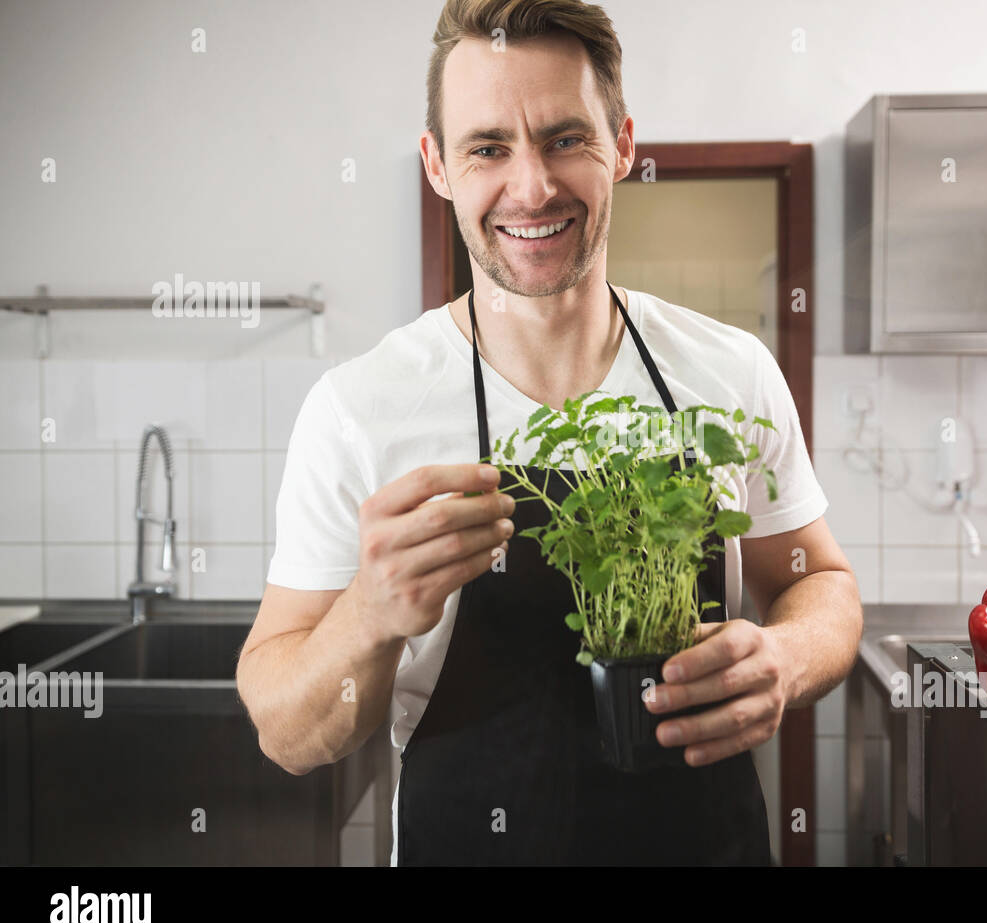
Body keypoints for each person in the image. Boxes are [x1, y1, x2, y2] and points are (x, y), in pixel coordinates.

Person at [236, 0, 862, 866]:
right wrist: (369, 615)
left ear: (623, 146)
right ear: (438, 166)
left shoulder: (733, 372)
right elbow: (286, 732)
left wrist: (786, 659)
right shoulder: (358, 407)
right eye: (488, 147)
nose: (531, 188)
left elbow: (820, 581)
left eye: (566, 138)